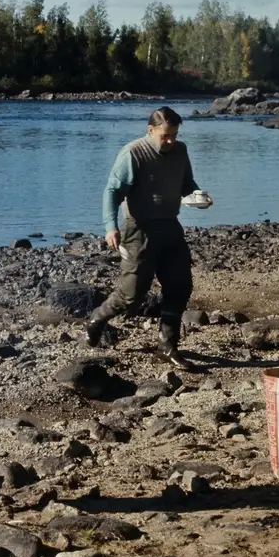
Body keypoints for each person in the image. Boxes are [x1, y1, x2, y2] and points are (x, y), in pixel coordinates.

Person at [86, 106, 207, 370]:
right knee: (132, 295)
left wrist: (199, 196)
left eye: (174, 135)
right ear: (150, 130)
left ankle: (167, 346)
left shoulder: (180, 151)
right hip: (138, 230)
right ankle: (97, 318)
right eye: (165, 136)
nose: (171, 141)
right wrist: (110, 227)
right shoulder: (133, 153)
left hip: (170, 226)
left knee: (179, 286)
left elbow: (187, 184)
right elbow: (112, 191)